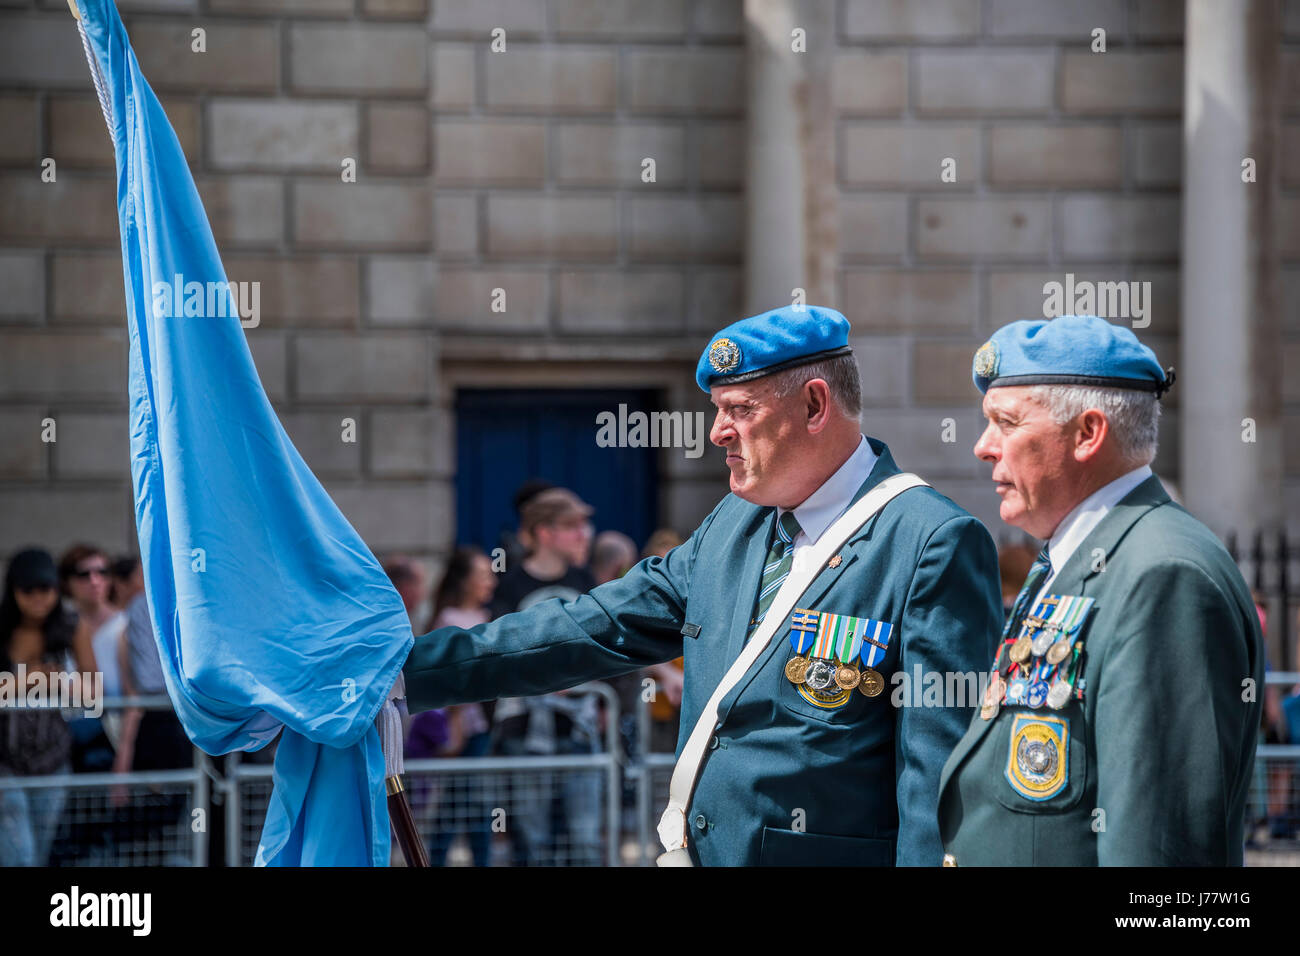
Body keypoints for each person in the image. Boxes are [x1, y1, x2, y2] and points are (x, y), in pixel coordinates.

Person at [401, 305, 1002, 866]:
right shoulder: (736, 523)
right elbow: (593, 627)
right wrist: (403, 673)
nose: (717, 432)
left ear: (815, 406)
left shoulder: (928, 539)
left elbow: (940, 780)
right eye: (717, 410)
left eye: (740, 410)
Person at [937, 315, 1264, 866]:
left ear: (1088, 434)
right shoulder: (1080, 556)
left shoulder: (1163, 575)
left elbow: (1162, 863)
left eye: (1007, 423)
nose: (983, 447)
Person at [488, 488, 603, 866]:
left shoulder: (586, 579)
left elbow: (607, 642)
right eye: (573, 525)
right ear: (544, 532)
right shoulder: (509, 585)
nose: (584, 533)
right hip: (524, 731)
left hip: (579, 729)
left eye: (584, 524)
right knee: (531, 841)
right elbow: (498, 653)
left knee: (586, 841)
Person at [407, 547, 495, 867]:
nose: (490, 582)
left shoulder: (489, 617)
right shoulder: (448, 619)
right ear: (465, 580)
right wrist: (455, 726)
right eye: (483, 575)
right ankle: (438, 858)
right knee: (463, 802)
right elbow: (448, 679)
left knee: (472, 804)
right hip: (461, 730)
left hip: (483, 727)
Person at [0, 548, 87, 866]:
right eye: (28, 591)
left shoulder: (71, 626)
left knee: (38, 851)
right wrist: (34, 679)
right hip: (5, 763)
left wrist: (63, 684)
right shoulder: (4, 630)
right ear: (13, 592)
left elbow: (91, 697)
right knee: (18, 856)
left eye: (46, 590)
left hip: (53, 760)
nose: (39, 599)